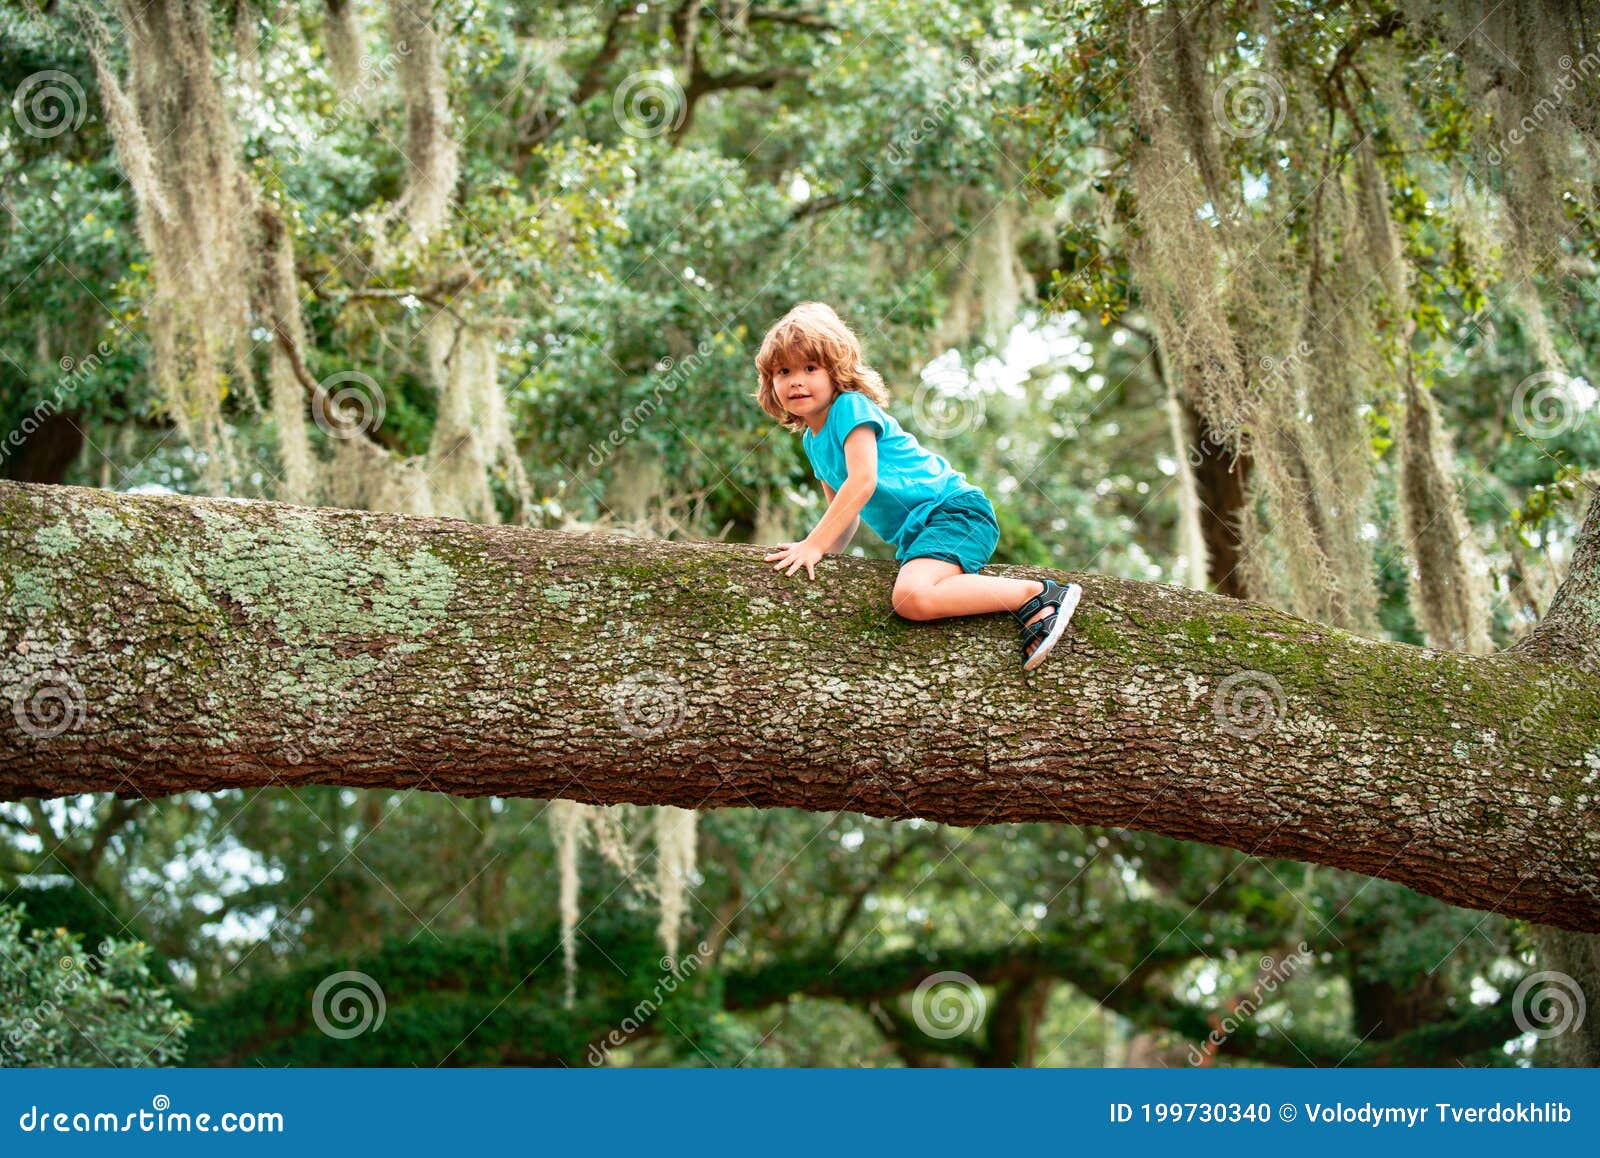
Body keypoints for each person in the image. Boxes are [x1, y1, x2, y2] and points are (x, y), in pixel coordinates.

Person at [752, 301, 1082, 671]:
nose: (796, 380)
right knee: (914, 594)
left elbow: (862, 482)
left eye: (810, 368)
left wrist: (813, 544)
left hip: (955, 512)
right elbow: (845, 516)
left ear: (835, 373)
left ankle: (1039, 594)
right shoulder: (813, 442)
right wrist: (819, 555)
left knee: (911, 598)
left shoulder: (850, 408)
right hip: (927, 532)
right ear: (771, 383)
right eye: (783, 371)